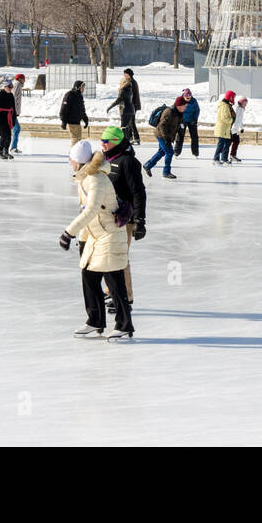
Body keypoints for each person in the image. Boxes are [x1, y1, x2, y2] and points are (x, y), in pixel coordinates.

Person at [59, 139, 133, 340]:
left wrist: (69, 232)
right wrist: (82, 239)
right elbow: (88, 211)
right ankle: (95, 321)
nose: (70, 162)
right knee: (89, 277)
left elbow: (92, 210)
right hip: (96, 237)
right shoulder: (85, 178)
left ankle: (125, 325)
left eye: (71, 159)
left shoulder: (95, 180)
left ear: (79, 161)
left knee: (115, 282)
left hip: (109, 236)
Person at [100, 124, 147, 313]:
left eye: (106, 141)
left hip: (123, 218)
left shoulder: (128, 162)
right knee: (106, 254)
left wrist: (140, 220)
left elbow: (138, 192)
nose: (102, 144)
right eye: (101, 141)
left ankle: (126, 296)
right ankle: (110, 289)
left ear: (116, 142)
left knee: (120, 256)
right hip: (106, 217)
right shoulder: (105, 159)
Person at [143, 96, 186, 180]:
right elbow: (161, 126)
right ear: (179, 106)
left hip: (167, 136)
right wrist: (166, 139)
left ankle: (148, 165)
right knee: (169, 152)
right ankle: (166, 172)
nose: (186, 108)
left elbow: (179, 126)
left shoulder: (179, 114)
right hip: (161, 134)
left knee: (162, 151)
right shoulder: (169, 112)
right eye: (184, 106)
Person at [107, 72, 138, 146]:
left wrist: (110, 107)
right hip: (131, 109)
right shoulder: (130, 89)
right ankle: (128, 140)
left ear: (123, 83)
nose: (119, 84)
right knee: (127, 126)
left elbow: (118, 100)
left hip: (125, 110)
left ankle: (124, 141)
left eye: (120, 83)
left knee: (123, 127)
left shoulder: (123, 90)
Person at [0, 79, 16, 159]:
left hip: (8, 119)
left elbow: (13, 109)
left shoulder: (11, 95)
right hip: (0, 119)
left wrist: (13, 119)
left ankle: (6, 152)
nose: (10, 88)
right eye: (9, 86)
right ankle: (0, 152)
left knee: (9, 136)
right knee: (4, 136)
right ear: (4, 86)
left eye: (11, 87)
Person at [173, 87, 200, 157]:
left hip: (192, 121)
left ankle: (195, 152)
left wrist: (195, 119)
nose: (188, 97)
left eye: (189, 95)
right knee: (180, 136)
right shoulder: (180, 100)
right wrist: (179, 119)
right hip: (182, 121)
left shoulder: (194, 101)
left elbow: (197, 110)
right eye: (186, 95)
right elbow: (175, 109)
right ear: (183, 95)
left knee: (194, 137)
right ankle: (176, 152)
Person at [212, 90, 236, 163]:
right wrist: (232, 120)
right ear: (230, 97)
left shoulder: (227, 105)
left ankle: (224, 158)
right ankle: (216, 158)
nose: (234, 99)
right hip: (223, 129)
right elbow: (224, 118)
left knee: (227, 144)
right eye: (233, 97)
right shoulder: (224, 106)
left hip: (226, 129)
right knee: (221, 144)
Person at [124, 68, 141, 144]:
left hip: (131, 105)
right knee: (130, 122)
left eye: (125, 74)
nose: (124, 75)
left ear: (128, 74)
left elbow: (130, 95)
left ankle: (136, 138)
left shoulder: (130, 82)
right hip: (134, 104)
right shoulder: (134, 81)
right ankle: (130, 138)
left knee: (131, 122)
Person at [229, 95, 248, 162]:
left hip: (235, 129)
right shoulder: (237, 108)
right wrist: (232, 128)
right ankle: (224, 156)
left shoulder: (241, 109)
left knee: (235, 142)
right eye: (244, 103)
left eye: (246, 103)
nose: (245, 105)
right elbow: (234, 119)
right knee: (230, 142)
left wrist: (241, 128)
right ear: (241, 103)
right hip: (232, 129)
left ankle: (232, 156)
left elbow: (240, 120)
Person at [10, 73, 26, 153]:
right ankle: (13, 147)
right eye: (23, 79)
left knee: (9, 129)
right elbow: (13, 97)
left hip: (13, 111)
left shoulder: (18, 85)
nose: (24, 80)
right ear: (20, 79)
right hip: (12, 111)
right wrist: (14, 111)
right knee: (16, 129)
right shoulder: (17, 85)